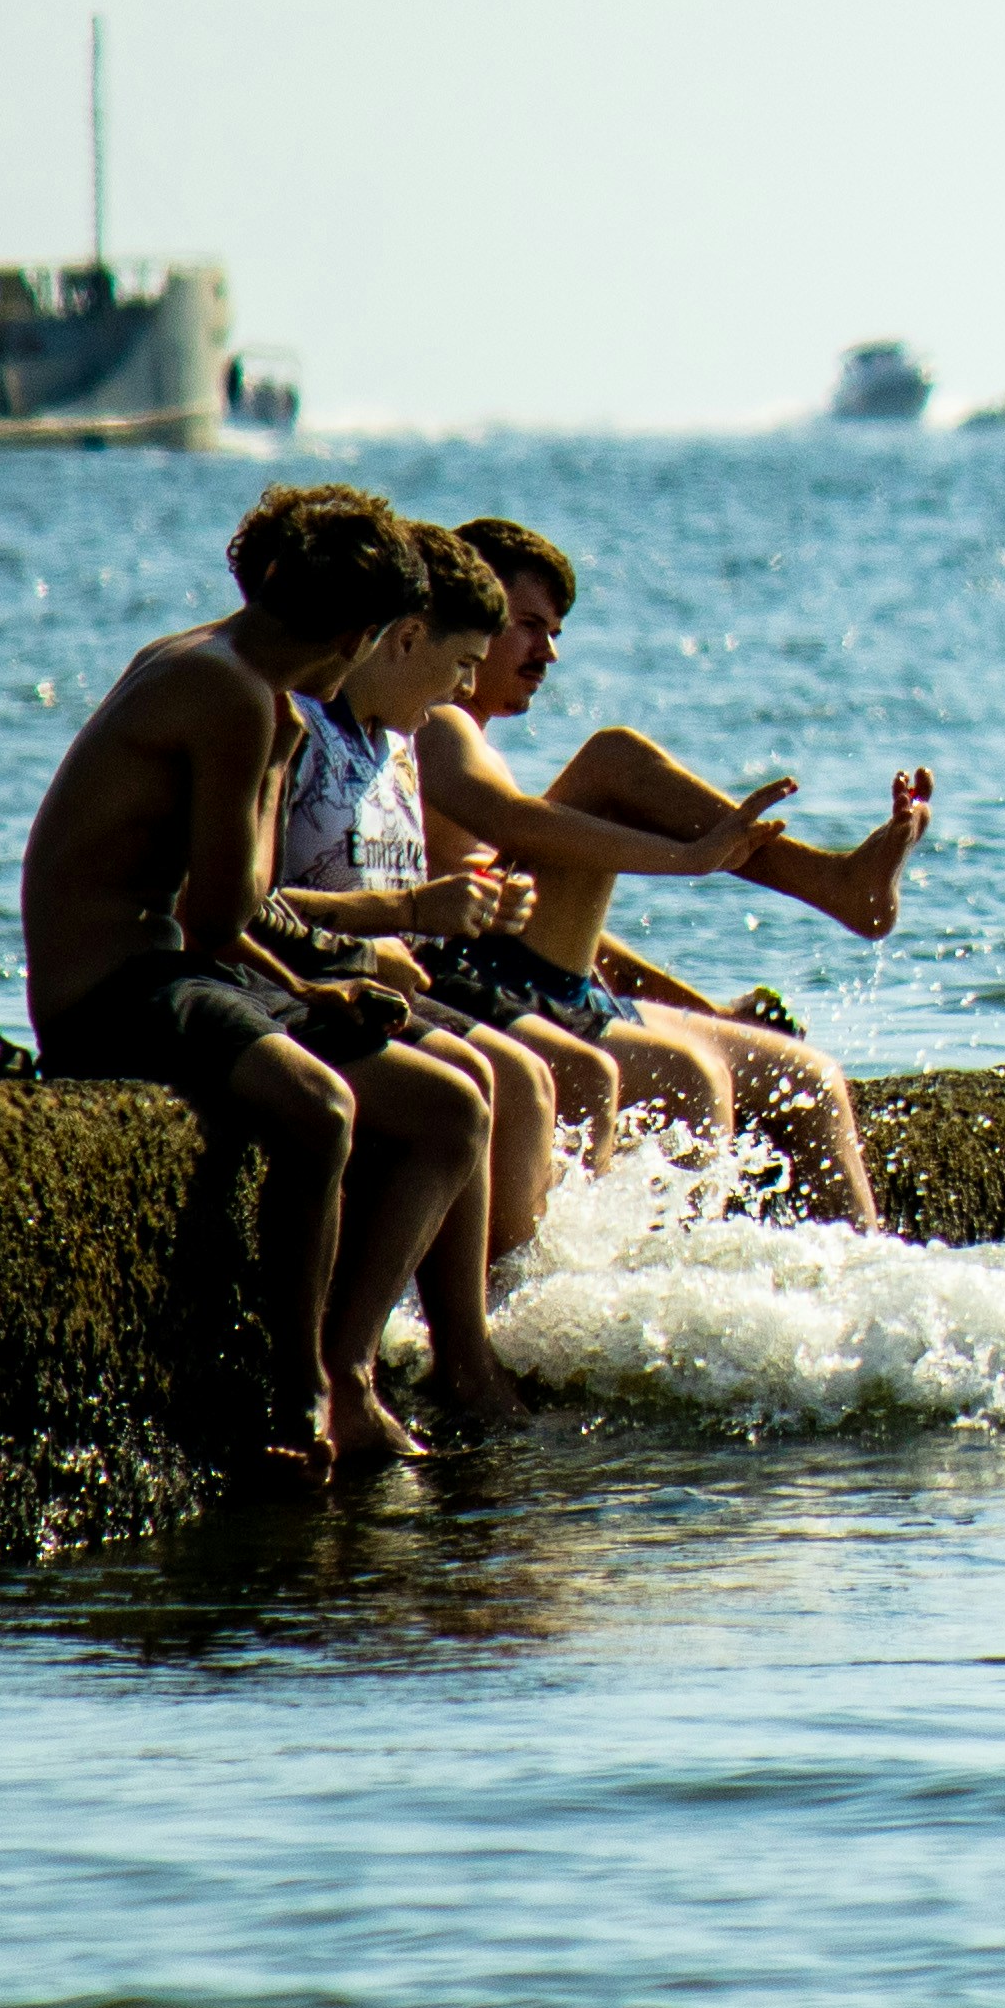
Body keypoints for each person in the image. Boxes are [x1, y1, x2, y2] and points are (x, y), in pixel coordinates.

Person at [17, 486, 486, 1480]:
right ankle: (301, 1391)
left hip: (180, 971)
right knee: (319, 1108)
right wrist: (319, 991)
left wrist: (338, 970)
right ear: (364, 633)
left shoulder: (249, 690)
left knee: (451, 1107)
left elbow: (247, 906)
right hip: (112, 991)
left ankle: (354, 1373)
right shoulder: (225, 691)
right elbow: (220, 918)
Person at [404, 515, 914, 1228]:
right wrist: (690, 859)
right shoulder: (436, 722)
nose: (547, 652)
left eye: (555, 632)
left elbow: (572, 935)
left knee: (811, 1081)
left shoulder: (471, 736)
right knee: (613, 763)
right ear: (468, 617)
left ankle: (860, 1281)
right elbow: (512, 824)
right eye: (527, 625)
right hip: (479, 988)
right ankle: (831, 883)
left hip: (549, 984)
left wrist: (703, 1006)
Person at [268, 525, 614, 1419]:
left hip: (387, 987)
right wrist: (414, 913)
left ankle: (470, 1343)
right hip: (303, 987)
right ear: (404, 638)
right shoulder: (301, 730)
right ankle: (422, 1357)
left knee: (516, 1075)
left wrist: (452, 905)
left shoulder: (392, 745)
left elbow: (396, 894)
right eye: (460, 666)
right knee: (482, 1085)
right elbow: (253, 906)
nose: (468, 691)